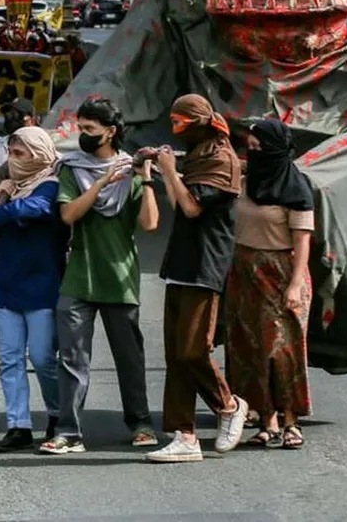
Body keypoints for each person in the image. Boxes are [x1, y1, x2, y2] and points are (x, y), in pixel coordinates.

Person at [42, 98, 159, 455]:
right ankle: (68, 432)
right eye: (82, 128)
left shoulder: (131, 171)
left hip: (120, 278)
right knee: (72, 359)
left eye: (90, 130)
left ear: (110, 132)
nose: (83, 135)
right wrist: (103, 182)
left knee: (130, 357)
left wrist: (146, 180)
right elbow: (69, 215)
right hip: (79, 277)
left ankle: (140, 423)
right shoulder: (72, 168)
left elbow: (150, 223)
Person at [146, 94, 249, 464]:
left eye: (181, 124)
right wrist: (157, 173)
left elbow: (192, 207)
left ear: (200, 123)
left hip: (206, 264)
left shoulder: (222, 159)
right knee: (176, 354)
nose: (176, 130)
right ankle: (184, 435)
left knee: (193, 348)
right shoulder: (198, 157)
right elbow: (180, 205)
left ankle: (228, 404)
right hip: (182, 261)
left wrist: (171, 170)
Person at [227, 119, 315, 450]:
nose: (252, 154)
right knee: (249, 348)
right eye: (249, 148)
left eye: (258, 147)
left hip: (281, 273)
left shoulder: (296, 188)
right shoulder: (246, 181)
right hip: (243, 274)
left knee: (281, 350)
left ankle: (291, 419)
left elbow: (302, 242)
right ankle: (266, 420)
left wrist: (294, 285)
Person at [0, 126, 65, 453]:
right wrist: (0, 201)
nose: (13, 160)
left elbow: (34, 210)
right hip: (6, 284)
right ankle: (18, 425)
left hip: (42, 284)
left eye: (21, 153)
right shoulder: (9, 187)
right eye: (11, 153)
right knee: (10, 359)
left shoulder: (50, 185)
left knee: (44, 357)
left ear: (40, 155)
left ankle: (59, 414)